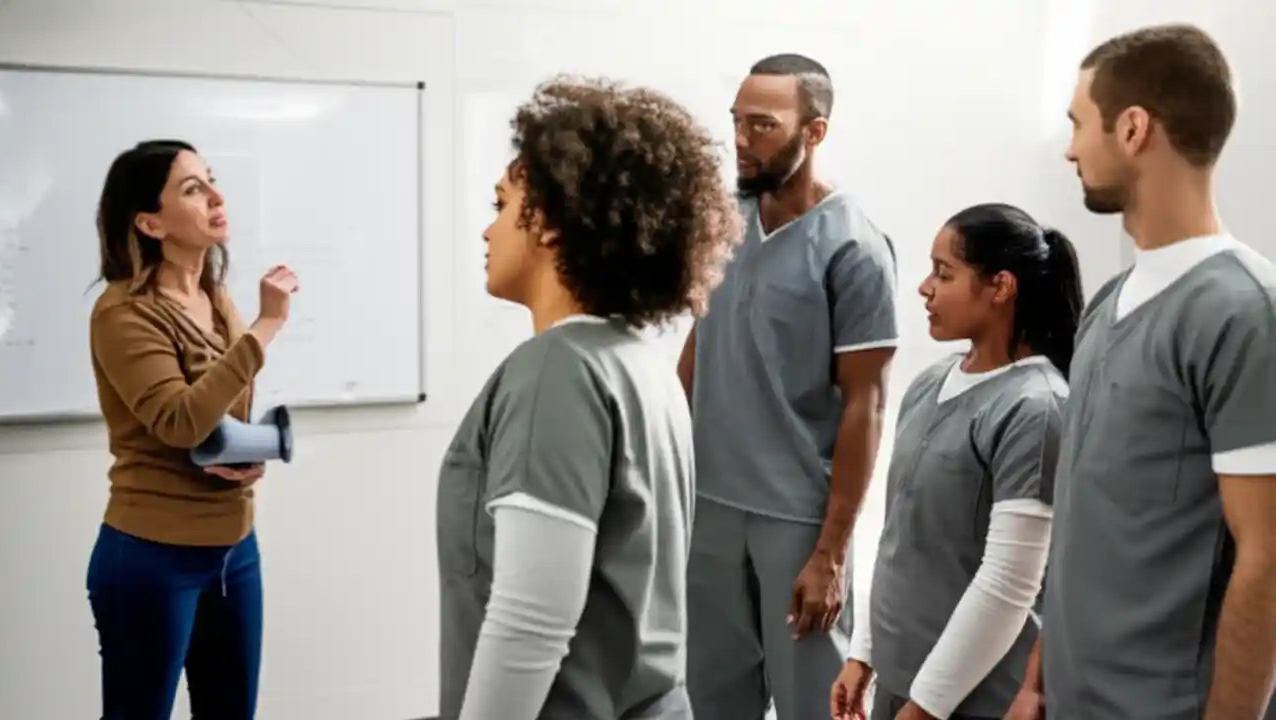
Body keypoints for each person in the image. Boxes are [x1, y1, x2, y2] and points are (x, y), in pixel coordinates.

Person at [435, 76, 739, 720]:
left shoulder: (558, 371)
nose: (487, 231)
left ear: (545, 222)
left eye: (500, 203)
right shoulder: (638, 361)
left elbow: (530, 620)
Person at [1006, 24, 1276, 720]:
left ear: (1132, 129)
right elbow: (1083, 518)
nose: (1068, 147)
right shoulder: (1107, 304)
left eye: (1078, 124)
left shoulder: (1242, 312)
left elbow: (1267, 561)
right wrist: (1039, 682)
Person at [679, 53, 899, 719]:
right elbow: (699, 345)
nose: (742, 142)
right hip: (709, 506)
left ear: (815, 132)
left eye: (763, 126)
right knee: (711, 702)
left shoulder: (852, 248)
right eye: (737, 123)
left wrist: (830, 553)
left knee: (812, 704)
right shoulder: (723, 221)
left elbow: (867, 402)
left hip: (797, 520)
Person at [829, 204, 1081, 720]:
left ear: (1001, 287)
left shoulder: (1037, 407)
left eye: (944, 273)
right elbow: (899, 534)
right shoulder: (929, 383)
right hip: (903, 685)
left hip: (967, 701)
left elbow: (1008, 584)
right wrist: (864, 653)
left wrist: (926, 706)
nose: (925, 287)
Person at [87, 139, 299, 718]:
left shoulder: (217, 297)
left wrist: (241, 455)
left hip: (235, 550)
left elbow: (216, 422)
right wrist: (267, 326)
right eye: (192, 188)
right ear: (150, 222)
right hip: (151, 555)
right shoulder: (122, 312)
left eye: (210, 179)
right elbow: (180, 422)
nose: (215, 195)